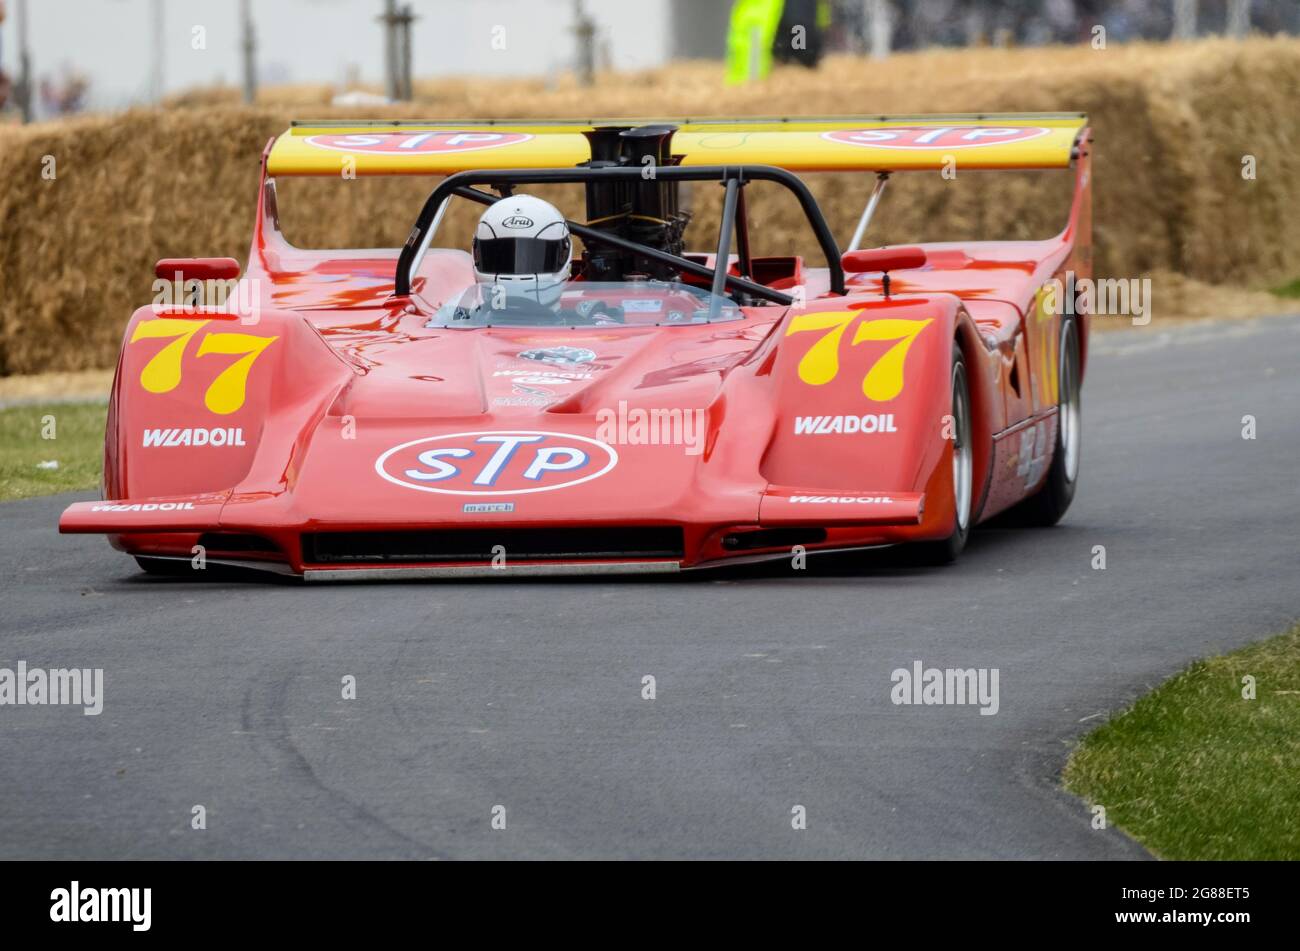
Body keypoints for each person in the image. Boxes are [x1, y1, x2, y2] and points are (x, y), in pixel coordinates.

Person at [472, 195, 572, 308]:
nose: (516, 278)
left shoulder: (463, 321)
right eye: (503, 258)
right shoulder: (456, 318)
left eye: (535, 257)